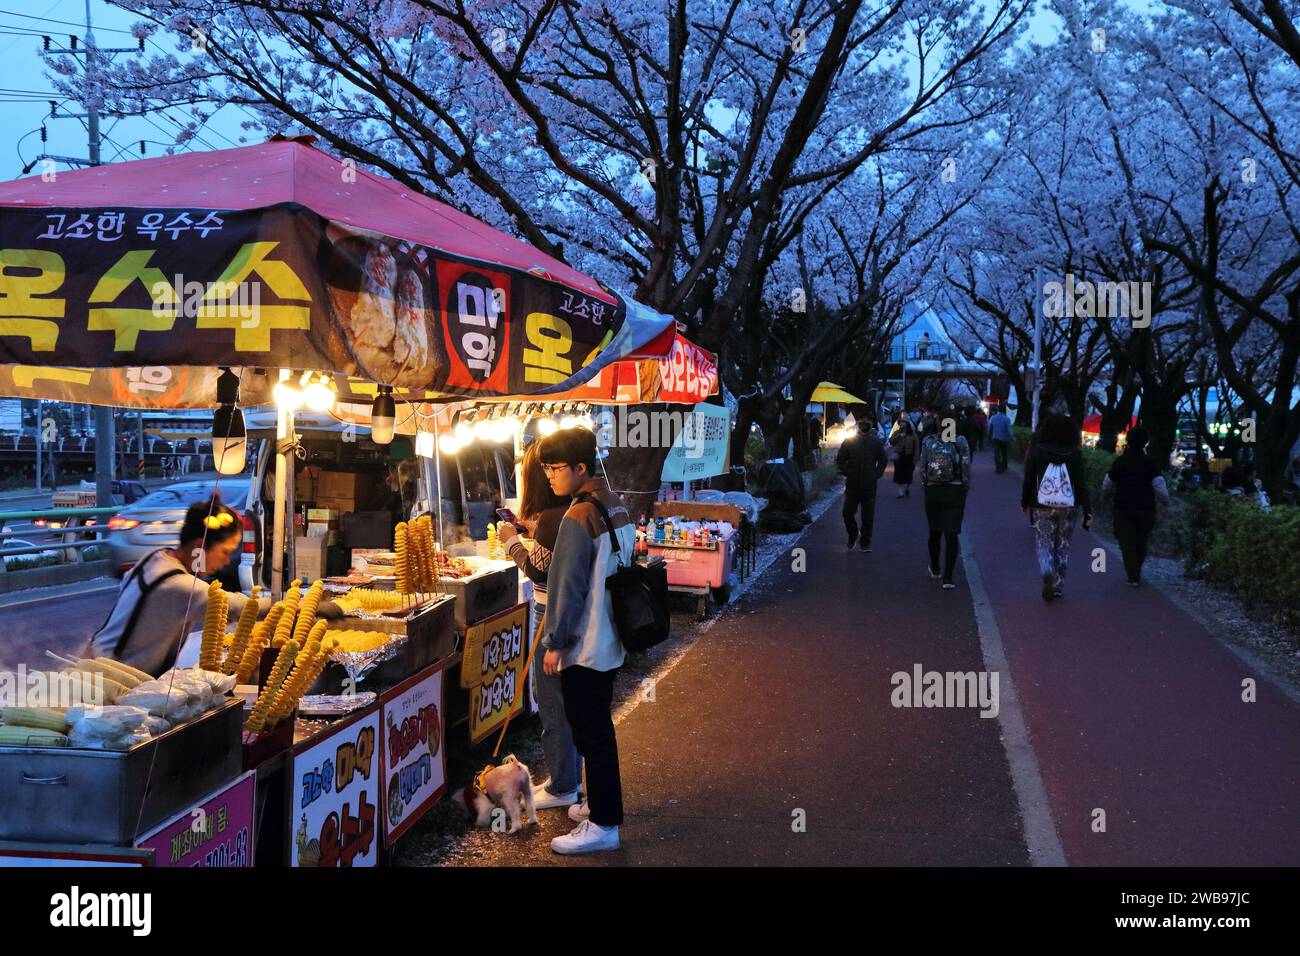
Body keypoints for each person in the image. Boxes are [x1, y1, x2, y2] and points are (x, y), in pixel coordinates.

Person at [537, 427, 635, 855]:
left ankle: (604, 825)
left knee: (591, 732)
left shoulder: (578, 517)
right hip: (612, 637)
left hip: (586, 643)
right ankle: (598, 804)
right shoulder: (614, 505)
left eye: (555, 469)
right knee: (597, 728)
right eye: (545, 469)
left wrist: (554, 641)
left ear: (580, 468)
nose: (549, 477)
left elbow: (567, 586)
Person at [91, 497, 271, 676]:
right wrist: (286, 602)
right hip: (114, 678)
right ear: (200, 546)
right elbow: (242, 608)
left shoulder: (154, 558)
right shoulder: (180, 586)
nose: (225, 561)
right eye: (225, 552)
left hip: (97, 659)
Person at [498, 442, 582, 811]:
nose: (548, 476)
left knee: (551, 700)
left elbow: (537, 570)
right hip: (575, 615)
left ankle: (563, 783)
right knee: (574, 704)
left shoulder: (553, 516)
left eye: (552, 469)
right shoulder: (577, 509)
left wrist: (512, 542)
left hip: (550, 613)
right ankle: (572, 780)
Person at [1021, 413, 1092, 602]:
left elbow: (1029, 478)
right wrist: (1088, 508)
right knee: (1063, 545)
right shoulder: (1075, 454)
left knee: (1044, 541)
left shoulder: (1038, 451)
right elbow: (1081, 483)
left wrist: (1024, 502)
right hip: (1069, 505)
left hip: (1042, 504)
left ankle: (1047, 570)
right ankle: (1058, 586)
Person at [1101, 427, 1169, 587]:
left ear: (1128, 441)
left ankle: (1133, 574)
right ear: (1145, 442)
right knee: (1141, 539)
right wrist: (1166, 503)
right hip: (1146, 508)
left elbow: (1107, 483)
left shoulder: (1120, 461)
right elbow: (1160, 487)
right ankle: (1136, 568)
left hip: (1123, 507)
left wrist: (1104, 496)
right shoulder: (1150, 463)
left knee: (1126, 541)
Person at [918, 417, 971, 589]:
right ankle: (948, 577)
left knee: (934, 532)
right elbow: (966, 466)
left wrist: (926, 485)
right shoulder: (960, 440)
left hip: (933, 491)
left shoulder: (928, 441)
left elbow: (922, 467)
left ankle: (935, 568)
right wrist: (964, 487)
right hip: (954, 491)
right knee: (952, 533)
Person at [835, 412, 888, 551]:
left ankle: (865, 542)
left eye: (867, 420)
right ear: (858, 423)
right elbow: (840, 459)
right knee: (847, 512)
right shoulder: (849, 441)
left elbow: (883, 460)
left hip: (869, 484)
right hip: (852, 484)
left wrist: (876, 474)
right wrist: (847, 472)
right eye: (862, 419)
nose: (864, 422)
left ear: (871, 424)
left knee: (868, 516)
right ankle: (852, 534)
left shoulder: (876, 442)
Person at [889, 416, 919, 498]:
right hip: (899, 456)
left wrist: (916, 457)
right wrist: (899, 436)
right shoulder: (897, 432)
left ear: (907, 424)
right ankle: (900, 491)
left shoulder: (913, 434)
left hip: (909, 456)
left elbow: (916, 446)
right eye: (900, 422)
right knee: (899, 473)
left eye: (903, 422)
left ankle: (907, 487)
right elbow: (891, 442)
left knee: (909, 473)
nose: (901, 424)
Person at [988, 405, 1013, 473]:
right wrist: (1011, 438)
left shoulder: (993, 418)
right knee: (1004, 453)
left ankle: (998, 468)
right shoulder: (1007, 419)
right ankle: (1004, 467)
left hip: (995, 438)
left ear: (998, 410)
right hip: (1004, 439)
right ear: (1005, 410)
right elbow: (1009, 431)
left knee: (997, 453)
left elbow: (990, 428)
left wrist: (989, 436)